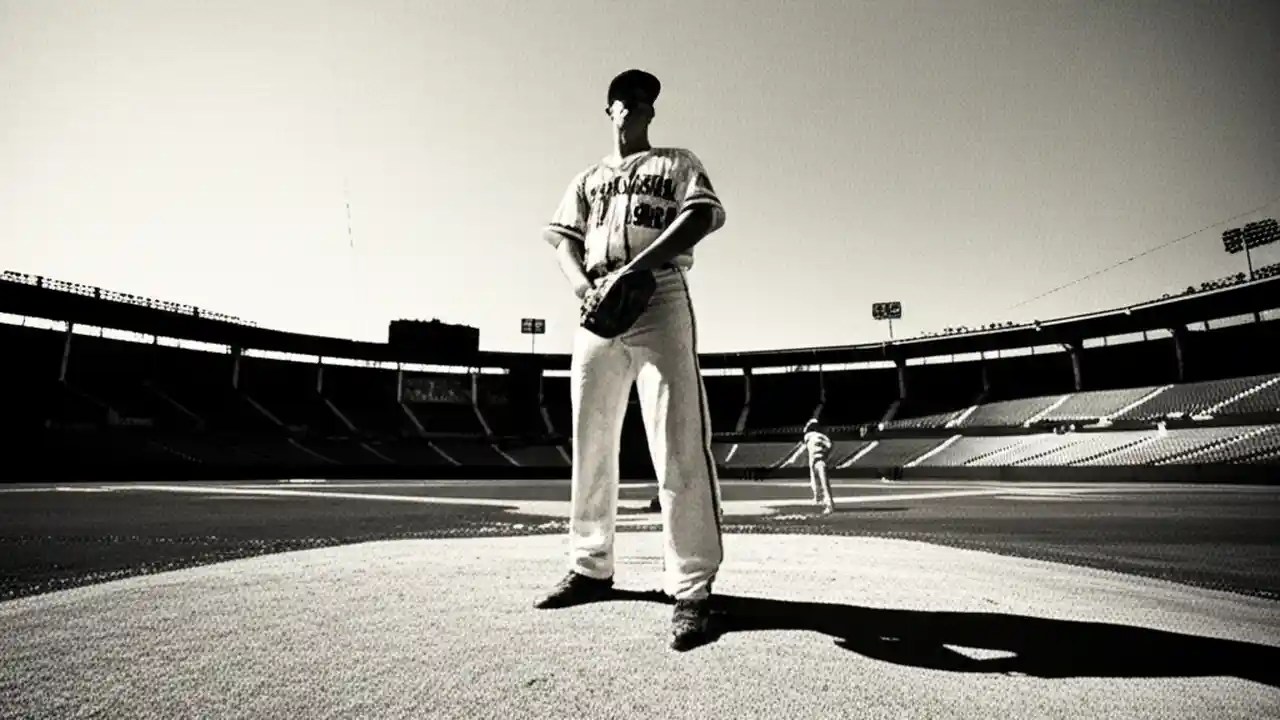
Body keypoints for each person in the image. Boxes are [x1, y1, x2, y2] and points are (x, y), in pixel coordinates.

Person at [533, 69, 728, 652]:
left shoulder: (675, 162)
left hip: (659, 296)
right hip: (598, 306)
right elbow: (565, 240)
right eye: (627, 98)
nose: (638, 105)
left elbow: (700, 215)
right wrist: (582, 288)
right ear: (611, 109)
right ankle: (590, 567)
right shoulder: (587, 178)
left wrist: (636, 268)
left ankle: (691, 588)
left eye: (646, 99)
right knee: (590, 440)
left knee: (676, 439)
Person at [802, 418, 836, 514]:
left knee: (817, 480)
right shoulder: (825, 438)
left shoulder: (809, 436)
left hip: (816, 460)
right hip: (821, 460)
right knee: (823, 482)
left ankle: (827, 502)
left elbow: (806, 433)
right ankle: (824, 499)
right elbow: (830, 446)